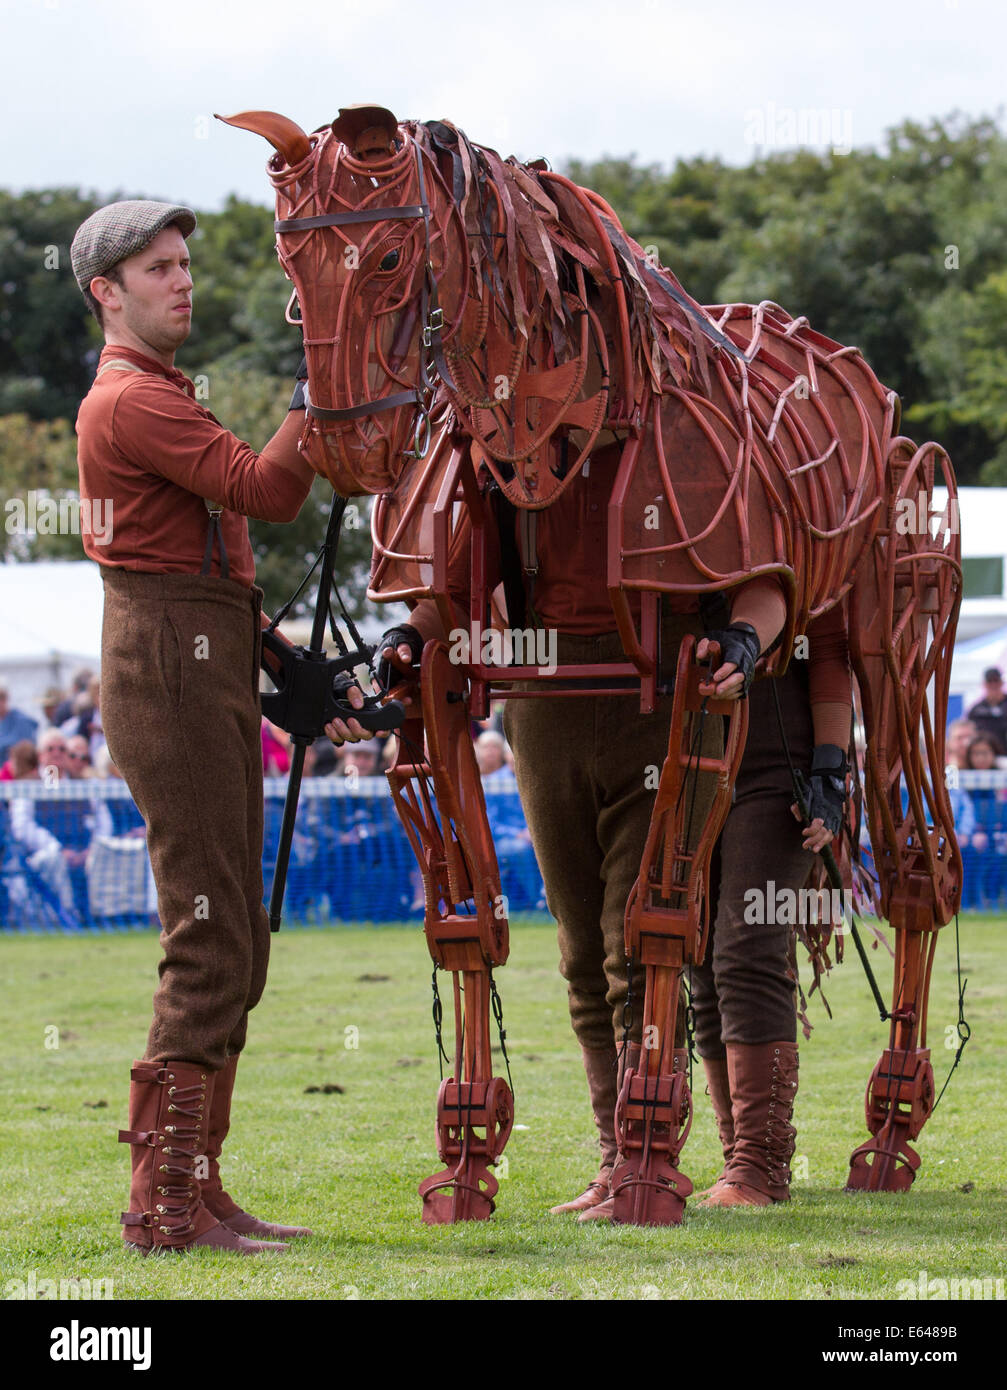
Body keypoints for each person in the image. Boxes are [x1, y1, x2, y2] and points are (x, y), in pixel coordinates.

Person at [328, 439, 788, 1219]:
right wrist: (404, 640)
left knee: (637, 942)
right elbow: (456, 588)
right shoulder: (499, 452)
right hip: (546, 701)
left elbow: (764, 582)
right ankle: (619, 1161)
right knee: (582, 950)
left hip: (661, 694)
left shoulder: (683, 434)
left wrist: (744, 637)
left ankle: (650, 1162)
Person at [72, 197, 319, 1255]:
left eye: (183, 263)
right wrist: (320, 394)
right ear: (106, 293)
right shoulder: (134, 401)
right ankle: (163, 1205)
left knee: (236, 937)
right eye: (156, 268)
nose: (181, 280)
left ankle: (198, 1187)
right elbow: (267, 491)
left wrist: (283, 658)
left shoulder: (160, 393)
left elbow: (212, 562)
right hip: (171, 667)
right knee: (211, 935)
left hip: (200, 649)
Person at [690, 605, 851, 1207]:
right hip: (682, 761)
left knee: (748, 948)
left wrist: (831, 772)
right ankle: (737, 1155)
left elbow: (830, 649)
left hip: (781, 772)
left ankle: (760, 1166)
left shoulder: (806, 531)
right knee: (697, 955)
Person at [967, 669, 1007, 755]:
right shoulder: (976, 710)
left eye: (996, 681)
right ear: (984, 684)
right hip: (984, 757)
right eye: (990, 681)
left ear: (1001, 683)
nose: (993, 684)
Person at [0, 682, 39, 764]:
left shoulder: (22, 721)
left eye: (1, 698)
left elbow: (26, 750)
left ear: (5, 699)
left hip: (19, 770)